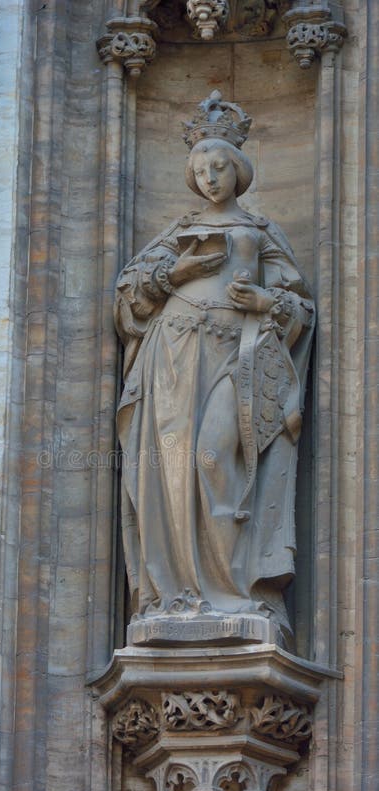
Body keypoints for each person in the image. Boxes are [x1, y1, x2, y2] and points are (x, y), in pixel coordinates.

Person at [115, 91, 314, 645]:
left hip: (238, 357)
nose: (210, 177)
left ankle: (239, 592)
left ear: (238, 170)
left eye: (219, 166)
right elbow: (127, 298)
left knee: (212, 457)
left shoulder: (260, 231)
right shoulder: (172, 235)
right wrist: (175, 274)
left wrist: (260, 304)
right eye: (201, 169)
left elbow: (298, 305)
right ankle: (178, 593)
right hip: (173, 357)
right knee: (171, 470)